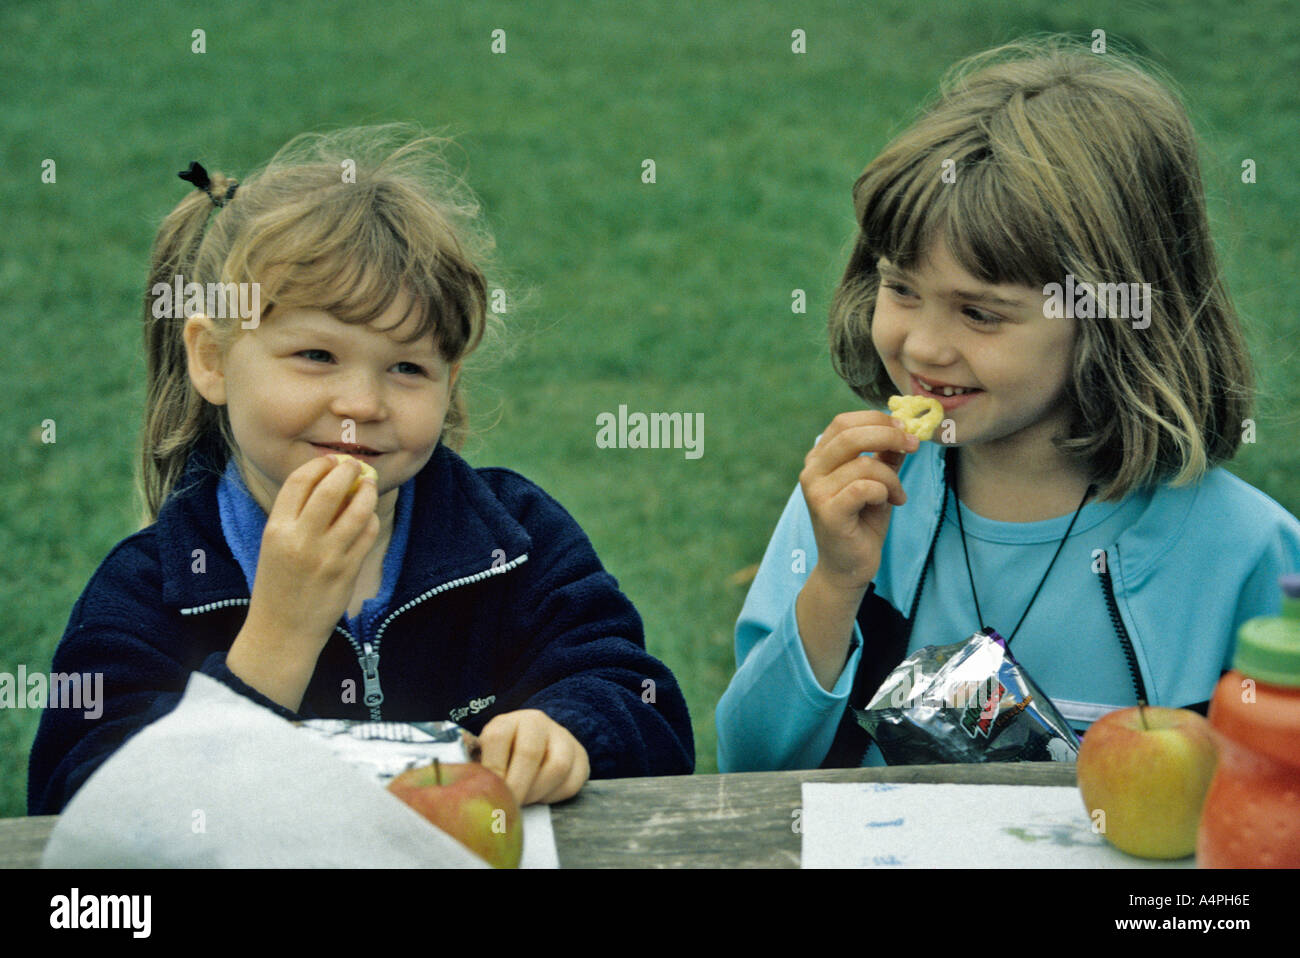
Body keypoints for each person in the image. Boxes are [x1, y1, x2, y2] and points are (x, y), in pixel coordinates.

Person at [29, 126, 693, 815]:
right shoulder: (153, 587)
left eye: (407, 368)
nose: (361, 405)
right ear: (213, 359)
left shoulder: (513, 539)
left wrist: (568, 732)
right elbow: (81, 807)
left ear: (450, 380)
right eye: (316, 355)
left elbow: (645, 706)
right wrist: (275, 642)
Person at [715, 38, 1300, 771]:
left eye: (981, 314)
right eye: (901, 288)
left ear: (1113, 319)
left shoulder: (1246, 555)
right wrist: (836, 584)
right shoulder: (855, 507)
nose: (924, 347)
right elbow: (752, 771)